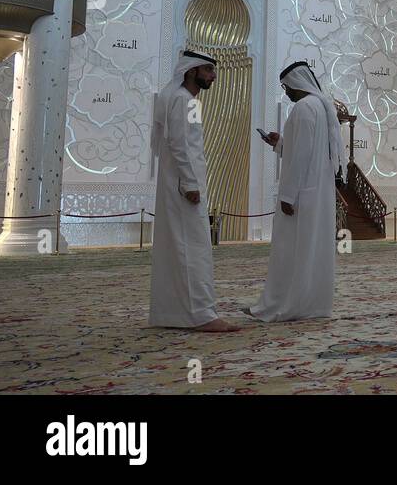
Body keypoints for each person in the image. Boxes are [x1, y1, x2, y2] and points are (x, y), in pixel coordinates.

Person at [148, 50, 239, 332]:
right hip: (184, 187)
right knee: (194, 247)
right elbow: (179, 145)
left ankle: (173, 314)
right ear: (191, 71)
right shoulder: (183, 101)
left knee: (180, 246)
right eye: (209, 70)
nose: (213, 76)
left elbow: (163, 144)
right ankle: (201, 314)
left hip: (178, 184)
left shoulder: (179, 100)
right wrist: (189, 183)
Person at [249, 61, 346, 322]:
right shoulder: (321, 107)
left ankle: (287, 305)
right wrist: (280, 143)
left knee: (293, 250)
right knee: (312, 250)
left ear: (295, 83)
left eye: (286, 87)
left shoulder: (304, 108)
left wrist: (288, 195)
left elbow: (301, 156)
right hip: (318, 191)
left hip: (302, 192)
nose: (287, 92)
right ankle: (311, 304)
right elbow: (307, 150)